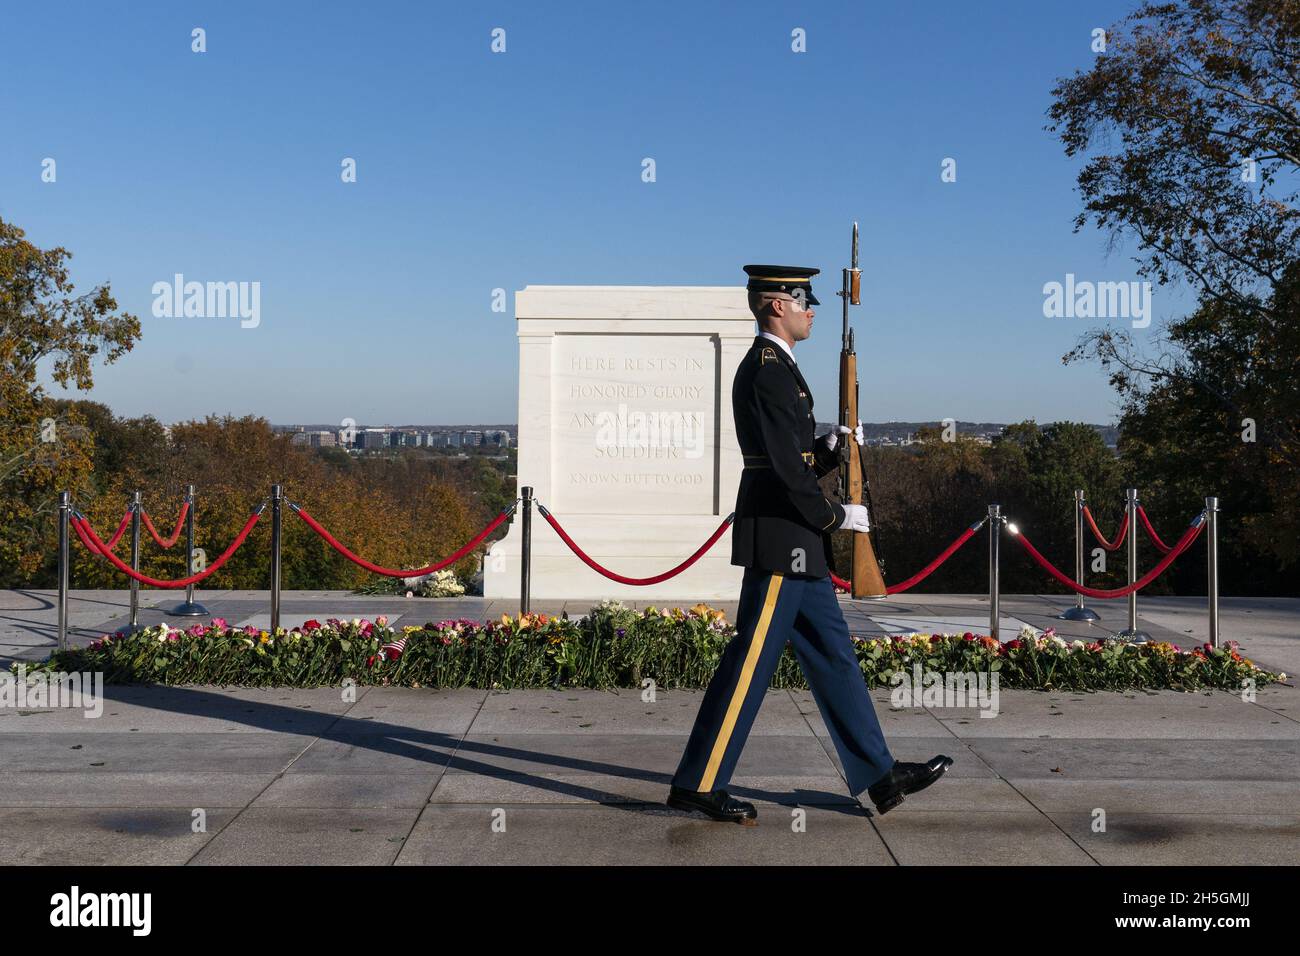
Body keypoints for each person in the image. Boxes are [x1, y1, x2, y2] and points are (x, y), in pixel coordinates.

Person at [665, 264, 953, 825]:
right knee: (750, 661)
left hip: (796, 538)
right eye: (803, 301)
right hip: (782, 535)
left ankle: (878, 771)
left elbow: (794, 460)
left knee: (834, 655)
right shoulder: (769, 370)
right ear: (777, 305)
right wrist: (835, 515)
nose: (812, 308)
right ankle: (698, 782)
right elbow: (779, 469)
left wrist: (831, 449)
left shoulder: (783, 369)